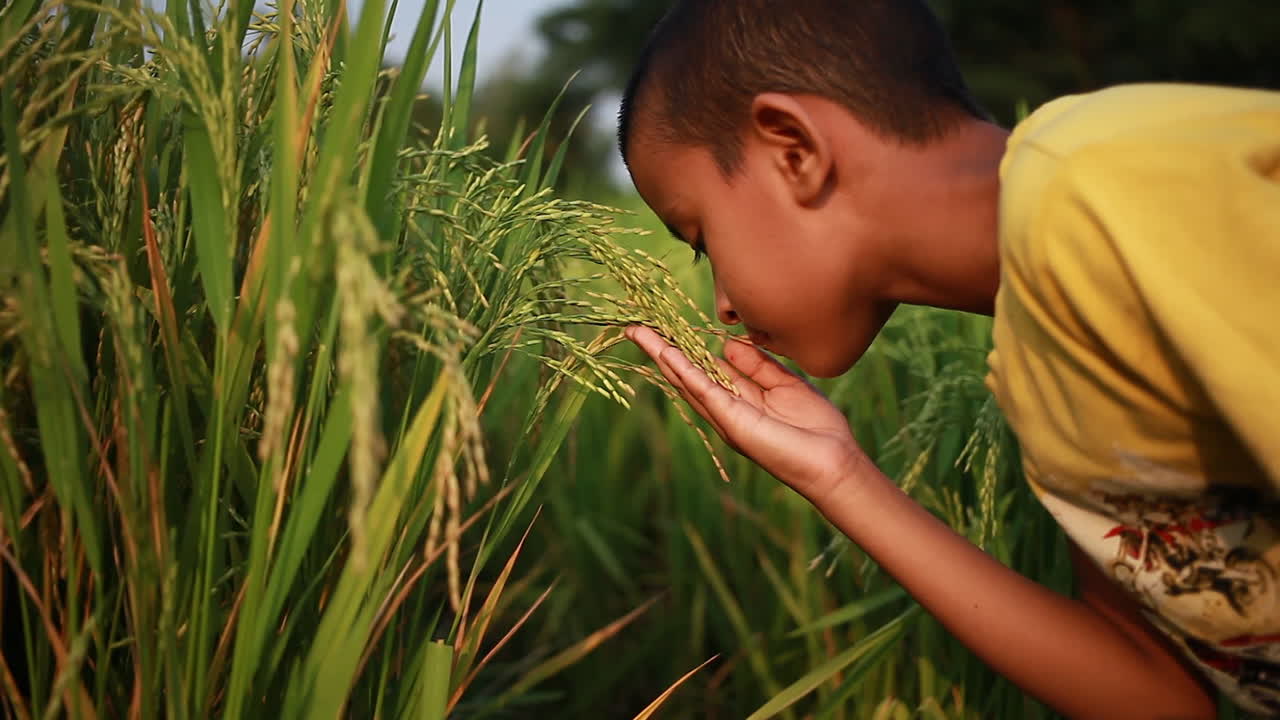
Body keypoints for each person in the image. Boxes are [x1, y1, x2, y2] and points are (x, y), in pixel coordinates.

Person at [616, 1, 1280, 717]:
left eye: (702, 239)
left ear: (793, 150)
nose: (722, 305)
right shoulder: (1042, 370)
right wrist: (839, 478)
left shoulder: (1099, 185)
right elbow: (1161, 696)